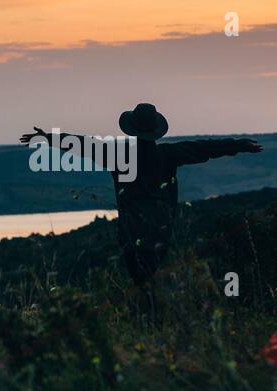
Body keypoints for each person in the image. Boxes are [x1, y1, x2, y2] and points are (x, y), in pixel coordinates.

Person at [20, 102, 262, 285]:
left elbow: (82, 144)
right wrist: (240, 144)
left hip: (131, 230)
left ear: (132, 130)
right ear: (156, 131)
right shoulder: (168, 154)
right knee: (159, 277)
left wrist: (46, 137)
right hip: (161, 228)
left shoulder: (117, 155)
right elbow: (205, 148)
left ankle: (147, 319)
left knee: (140, 280)